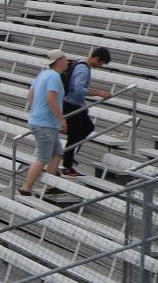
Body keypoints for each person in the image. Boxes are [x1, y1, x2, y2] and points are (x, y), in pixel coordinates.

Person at [22, 50, 70, 198]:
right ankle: (26, 188)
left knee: (57, 153)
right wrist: (61, 119)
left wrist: (38, 109)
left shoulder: (43, 74)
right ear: (59, 61)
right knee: (43, 157)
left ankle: (50, 185)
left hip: (42, 121)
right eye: (66, 59)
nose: (67, 62)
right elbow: (51, 99)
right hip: (45, 124)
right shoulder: (54, 77)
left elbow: (29, 96)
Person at [61, 47, 114, 178]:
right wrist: (99, 93)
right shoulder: (83, 69)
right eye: (101, 63)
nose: (101, 66)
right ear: (97, 59)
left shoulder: (80, 63)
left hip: (74, 104)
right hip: (72, 104)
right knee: (77, 133)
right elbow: (79, 89)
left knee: (84, 129)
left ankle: (68, 157)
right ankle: (67, 165)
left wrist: (97, 92)